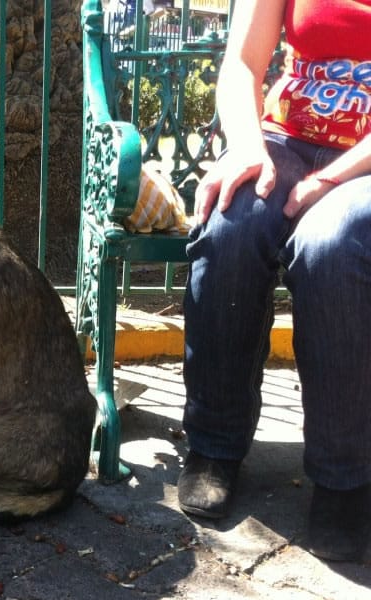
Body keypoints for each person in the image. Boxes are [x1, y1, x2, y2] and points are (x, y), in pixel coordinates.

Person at [178, 0, 371, 562]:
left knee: (331, 248)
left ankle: (344, 477)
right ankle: (215, 444)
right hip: (285, 137)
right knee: (230, 226)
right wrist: (246, 147)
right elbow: (242, 62)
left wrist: (329, 180)